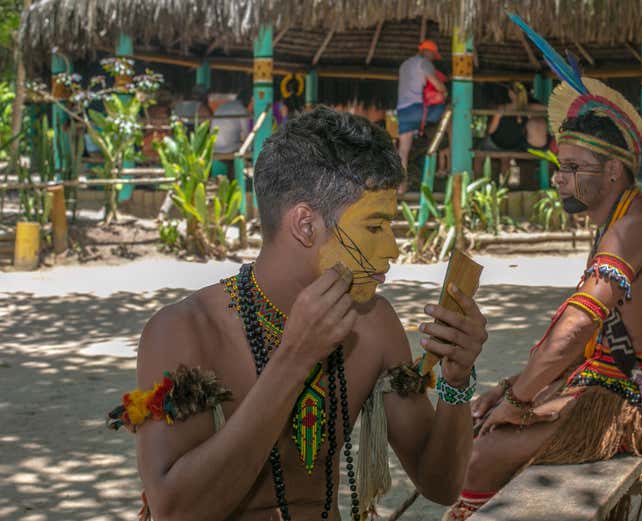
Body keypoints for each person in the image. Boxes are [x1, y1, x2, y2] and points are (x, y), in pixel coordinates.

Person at [107, 107, 488, 520]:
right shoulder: (183, 331)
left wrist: (455, 382)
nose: (393, 248)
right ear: (305, 224)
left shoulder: (374, 323)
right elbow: (175, 512)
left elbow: (441, 484)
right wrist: (295, 357)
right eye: (376, 227)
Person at [444, 28, 642, 520]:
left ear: (612, 172)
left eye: (572, 166)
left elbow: (580, 326)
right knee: (482, 427)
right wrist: (511, 389)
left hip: (641, 409)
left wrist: (521, 402)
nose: (559, 177)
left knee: (480, 455)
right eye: (558, 165)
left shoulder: (631, 228)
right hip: (618, 390)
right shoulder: (625, 219)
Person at [396, 40, 448, 172]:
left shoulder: (404, 64)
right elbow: (437, 85)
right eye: (433, 55)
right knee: (453, 114)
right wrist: (445, 92)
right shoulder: (424, 63)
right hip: (419, 110)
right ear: (428, 52)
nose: (433, 58)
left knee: (403, 150)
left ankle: (400, 186)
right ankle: (451, 159)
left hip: (403, 111)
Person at [481, 82, 549, 152]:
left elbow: (490, 130)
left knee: (483, 153)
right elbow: (546, 108)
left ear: (510, 93)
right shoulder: (526, 108)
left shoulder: (505, 108)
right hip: (508, 144)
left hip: (504, 144)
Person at [213, 88, 253, 155]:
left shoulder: (224, 105)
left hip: (214, 147)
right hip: (228, 148)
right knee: (248, 148)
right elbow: (247, 135)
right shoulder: (241, 109)